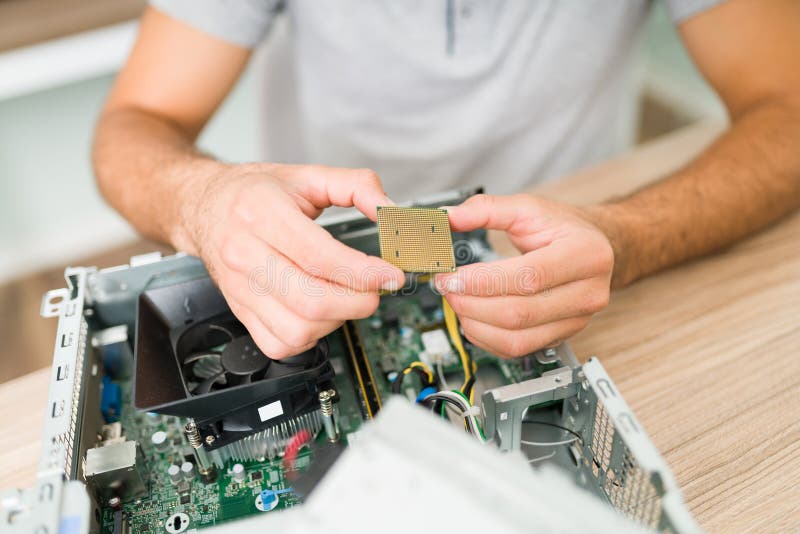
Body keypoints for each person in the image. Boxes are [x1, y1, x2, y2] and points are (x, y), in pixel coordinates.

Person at [93, 1, 800, 360]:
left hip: (573, 283)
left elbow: (788, 110)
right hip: (315, 272)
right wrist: (201, 199)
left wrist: (628, 235)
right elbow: (132, 126)